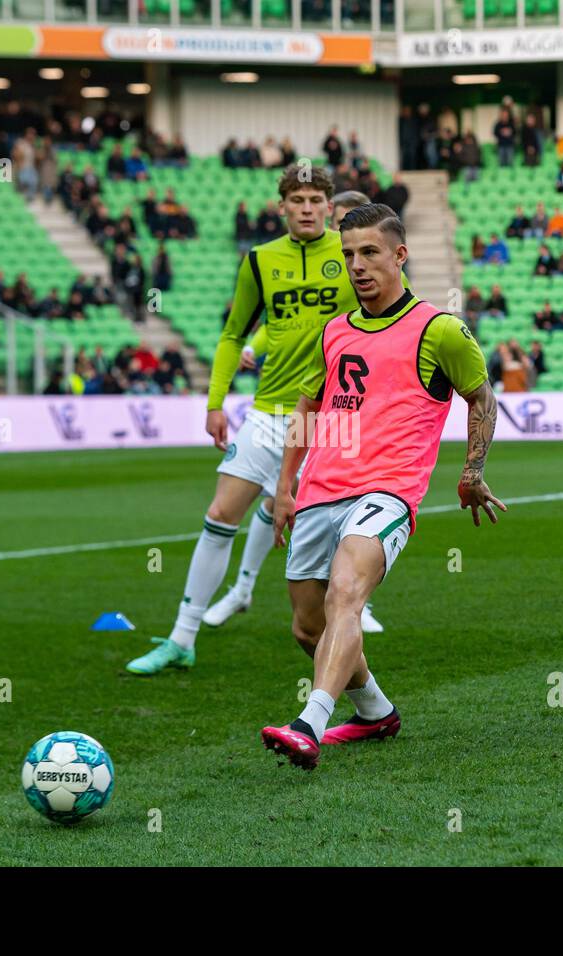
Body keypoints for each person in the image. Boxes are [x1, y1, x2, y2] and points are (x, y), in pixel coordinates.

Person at [260, 203, 505, 770]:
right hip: (322, 488)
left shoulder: (439, 329)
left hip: (387, 491)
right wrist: (284, 486)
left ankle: (308, 724)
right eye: (347, 255)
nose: (357, 265)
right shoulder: (335, 331)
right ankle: (374, 712)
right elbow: (309, 406)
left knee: (346, 594)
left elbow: (481, 398)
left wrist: (471, 471)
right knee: (307, 625)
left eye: (369, 252)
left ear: (399, 254)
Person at [124, 167, 385, 676]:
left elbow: (394, 317)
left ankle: (341, 635)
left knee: (329, 531)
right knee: (222, 513)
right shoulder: (261, 260)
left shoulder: (353, 254)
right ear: (281, 206)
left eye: (315, 199)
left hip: (330, 417)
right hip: (268, 411)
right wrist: (215, 402)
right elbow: (233, 333)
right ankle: (183, 636)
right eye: (296, 199)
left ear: (330, 206)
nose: (306, 207)